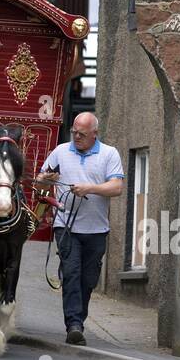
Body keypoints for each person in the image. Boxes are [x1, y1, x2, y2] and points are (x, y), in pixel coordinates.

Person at [37, 112, 124, 346]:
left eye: (82, 134)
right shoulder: (61, 151)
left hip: (96, 229)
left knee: (88, 279)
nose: (76, 137)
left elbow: (116, 187)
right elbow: (40, 182)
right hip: (65, 225)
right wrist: (47, 178)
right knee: (72, 273)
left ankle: (78, 318)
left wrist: (90, 188)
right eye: (74, 132)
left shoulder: (109, 154)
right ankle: (74, 324)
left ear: (94, 133)